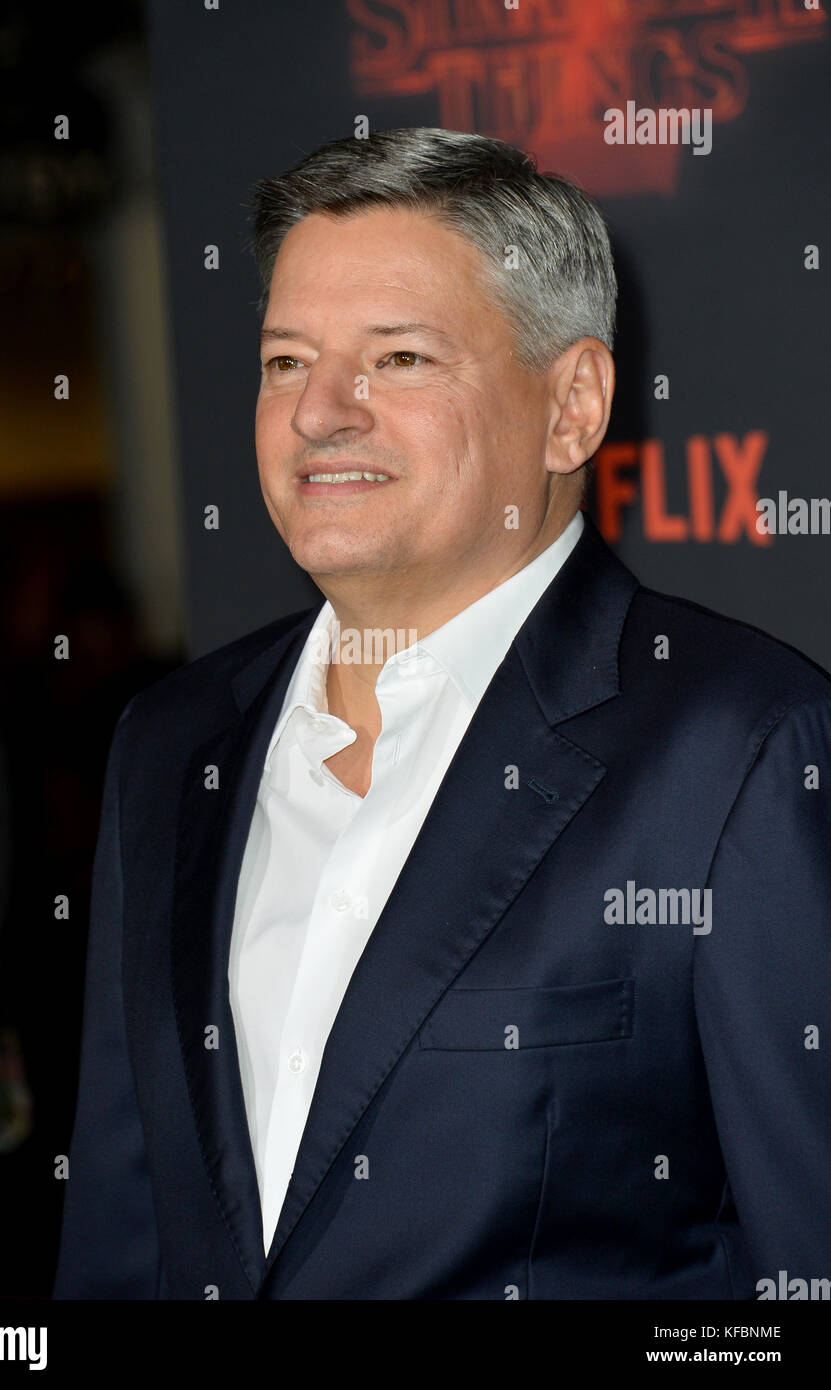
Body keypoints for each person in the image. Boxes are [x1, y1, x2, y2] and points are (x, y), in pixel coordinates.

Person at [54, 128, 831, 1300]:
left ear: (571, 406)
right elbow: (120, 1235)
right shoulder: (169, 744)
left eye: (400, 358)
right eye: (283, 361)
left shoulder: (737, 748)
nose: (320, 411)